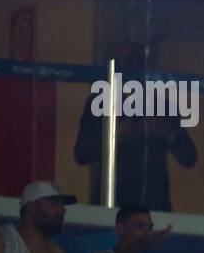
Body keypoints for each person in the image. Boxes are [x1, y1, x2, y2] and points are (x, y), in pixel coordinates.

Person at [73, 41, 197, 212]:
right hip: (111, 207)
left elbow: (189, 158)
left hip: (154, 209)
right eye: (128, 69)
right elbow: (82, 154)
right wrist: (117, 133)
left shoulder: (162, 107)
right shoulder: (100, 105)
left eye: (140, 68)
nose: (134, 79)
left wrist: (167, 131)